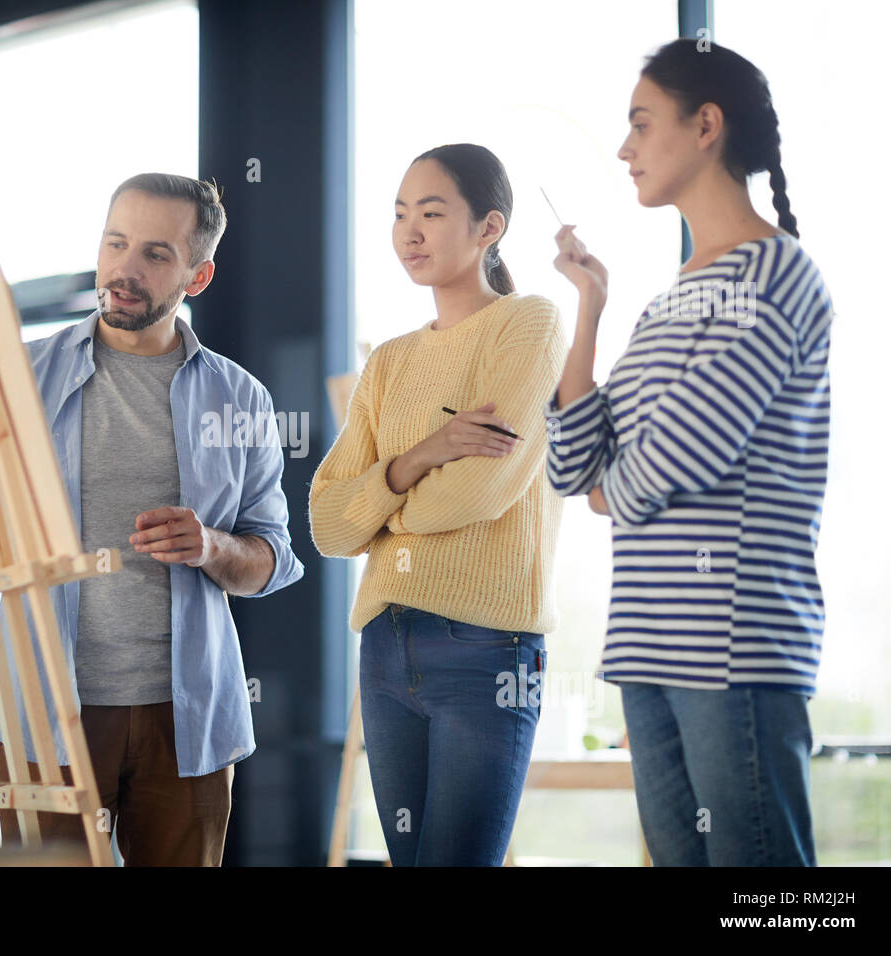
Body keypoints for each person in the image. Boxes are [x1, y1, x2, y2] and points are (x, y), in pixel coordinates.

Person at [0, 173, 304, 865]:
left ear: (198, 274)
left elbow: (272, 558)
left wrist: (212, 545)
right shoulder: (21, 376)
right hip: (41, 705)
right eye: (115, 242)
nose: (124, 269)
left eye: (155, 254)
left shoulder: (240, 397)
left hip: (187, 721)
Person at [546, 38, 832, 866]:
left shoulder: (775, 273)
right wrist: (591, 310)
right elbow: (573, 470)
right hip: (646, 641)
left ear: (706, 125)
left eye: (641, 123)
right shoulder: (670, 301)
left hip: (733, 641)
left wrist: (613, 485)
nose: (625, 147)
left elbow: (679, 456)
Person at [308, 144, 566, 865]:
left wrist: (382, 508)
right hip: (384, 648)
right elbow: (327, 525)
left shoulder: (529, 324)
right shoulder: (388, 361)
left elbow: (481, 488)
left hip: (487, 650)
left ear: (490, 227)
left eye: (430, 212)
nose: (408, 232)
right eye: (398, 214)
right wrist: (427, 453)